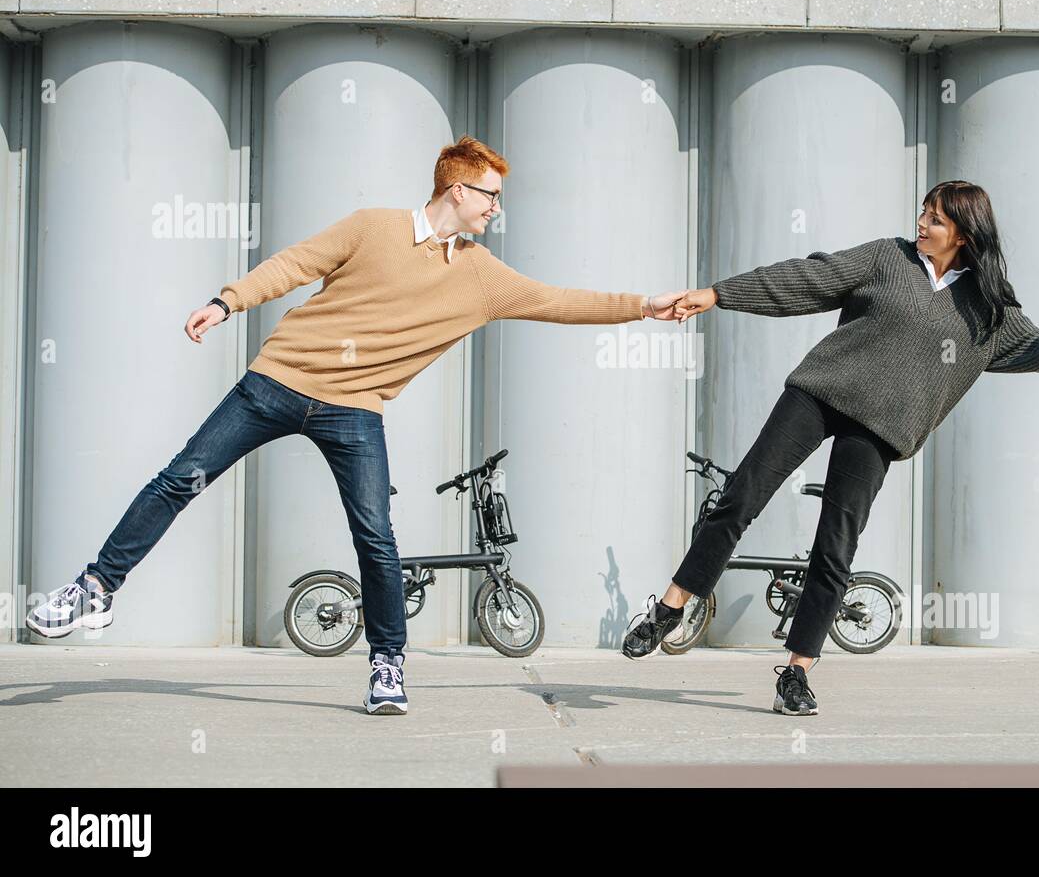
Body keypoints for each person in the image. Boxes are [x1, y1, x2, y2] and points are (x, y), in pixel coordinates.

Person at [27, 135, 687, 716]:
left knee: (376, 537)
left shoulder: (483, 278)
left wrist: (643, 306)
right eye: (489, 196)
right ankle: (94, 588)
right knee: (180, 480)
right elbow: (294, 264)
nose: (496, 209)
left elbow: (560, 301)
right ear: (456, 191)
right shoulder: (372, 227)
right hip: (274, 384)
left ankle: (387, 665)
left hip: (355, 411)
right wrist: (226, 301)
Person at [622, 180, 1039, 716]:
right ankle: (671, 606)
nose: (921, 222)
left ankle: (797, 672)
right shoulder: (886, 258)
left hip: (879, 429)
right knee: (742, 495)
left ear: (963, 233)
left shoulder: (988, 308)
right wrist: (718, 294)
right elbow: (808, 276)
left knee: (835, 545)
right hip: (819, 395)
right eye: (923, 211)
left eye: (935, 219)